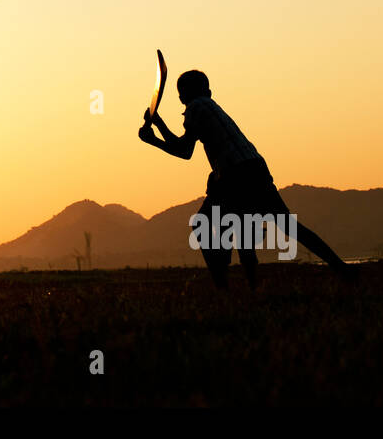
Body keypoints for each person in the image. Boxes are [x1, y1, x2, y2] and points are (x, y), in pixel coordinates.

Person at [138, 69, 356, 288]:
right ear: (208, 90)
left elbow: (184, 150)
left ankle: (224, 289)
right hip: (254, 168)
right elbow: (185, 145)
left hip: (234, 175)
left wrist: (153, 139)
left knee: (205, 225)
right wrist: (158, 124)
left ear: (183, 96)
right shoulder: (209, 106)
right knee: (284, 226)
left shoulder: (196, 107)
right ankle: (341, 268)